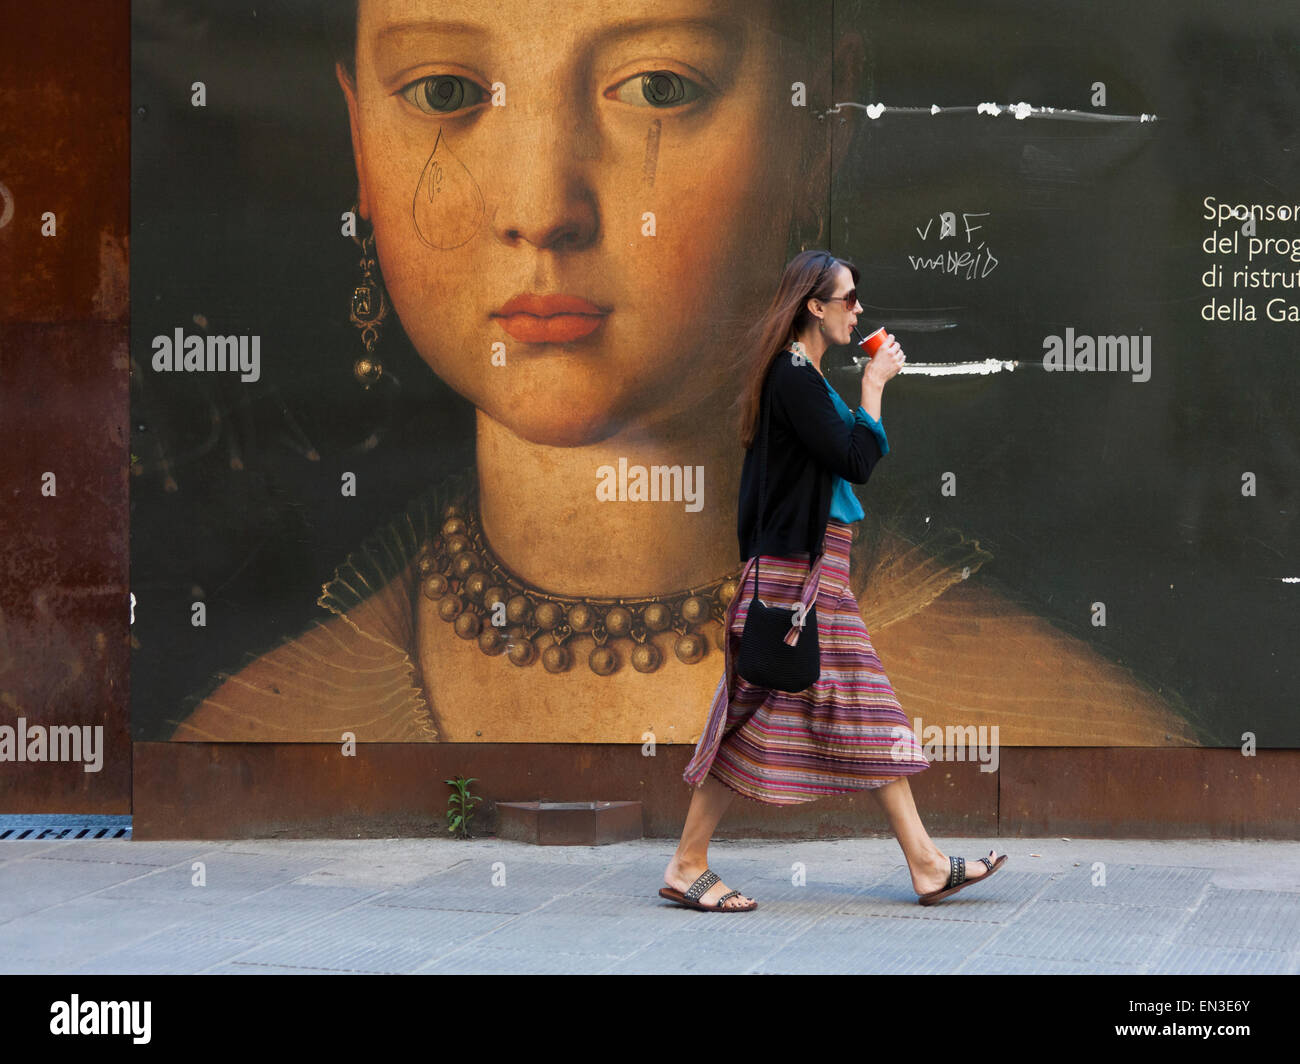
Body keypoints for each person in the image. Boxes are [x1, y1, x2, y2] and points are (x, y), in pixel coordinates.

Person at [168, 0, 1202, 753]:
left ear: (819, 124)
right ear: (360, 136)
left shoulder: (1064, 725)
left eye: (659, 88)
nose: (540, 208)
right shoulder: (259, 727)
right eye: (445, 93)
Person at [660, 251, 1006, 911]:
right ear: (814, 306)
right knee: (798, 710)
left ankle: (926, 863)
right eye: (848, 298)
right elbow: (856, 459)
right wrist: (874, 386)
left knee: (841, 711)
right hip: (797, 578)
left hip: (816, 572)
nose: (858, 309)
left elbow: (850, 454)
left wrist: (865, 398)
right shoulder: (793, 376)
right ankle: (687, 863)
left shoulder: (804, 377)